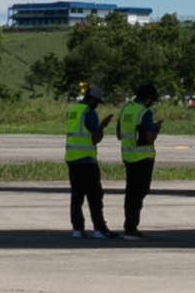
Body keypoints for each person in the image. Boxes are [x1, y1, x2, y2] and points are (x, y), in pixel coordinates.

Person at [63, 86, 109, 238]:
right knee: (94, 196)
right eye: (97, 101)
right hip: (87, 160)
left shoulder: (74, 111)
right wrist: (101, 127)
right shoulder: (89, 113)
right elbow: (95, 139)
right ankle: (99, 229)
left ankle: (77, 229)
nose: (97, 104)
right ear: (92, 99)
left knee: (76, 197)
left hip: (72, 158)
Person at [118, 81, 162, 237]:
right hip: (143, 158)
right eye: (152, 100)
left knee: (131, 192)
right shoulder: (145, 112)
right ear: (148, 98)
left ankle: (129, 224)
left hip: (128, 157)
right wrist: (156, 129)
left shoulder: (126, 110)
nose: (152, 103)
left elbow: (119, 134)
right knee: (140, 192)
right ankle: (131, 227)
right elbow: (149, 138)